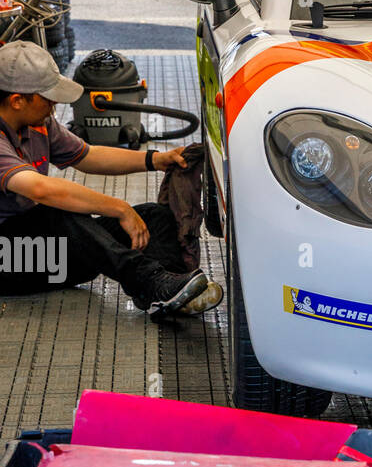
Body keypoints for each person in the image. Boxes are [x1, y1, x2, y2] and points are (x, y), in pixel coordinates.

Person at [0, 40, 221, 318]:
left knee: (153, 216)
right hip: (11, 262)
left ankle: (172, 290)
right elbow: (41, 189)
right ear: (18, 100)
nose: (55, 104)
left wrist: (154, 160)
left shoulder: (38, 123)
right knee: (58, 210)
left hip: (46, 253)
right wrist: (118, 208)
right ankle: (149, 282)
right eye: (48, 98)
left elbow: (88, 155)